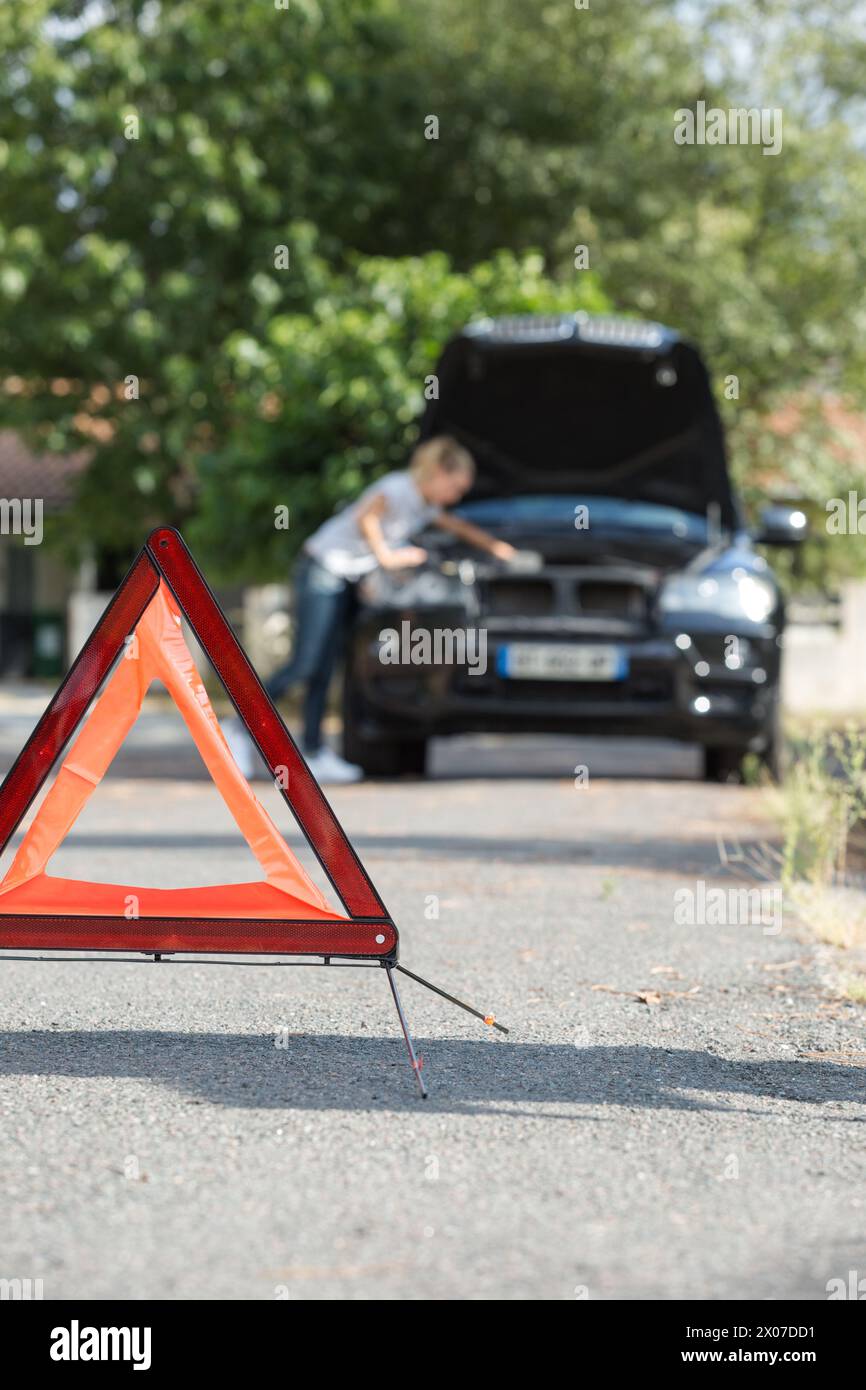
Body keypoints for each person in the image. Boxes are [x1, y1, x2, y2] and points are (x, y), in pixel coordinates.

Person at [226, 436, 515, 783]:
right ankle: (236, 729)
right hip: (322, 570)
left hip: (344, 580)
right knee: (305, 664)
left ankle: (313, 752)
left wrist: (498, 548)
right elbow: (367, 518)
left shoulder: (423, 506)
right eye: (454, 488)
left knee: (325, 670)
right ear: (438, 472)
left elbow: (456, 526)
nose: (456, 497)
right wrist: (387, 557)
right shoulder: (398, 488)